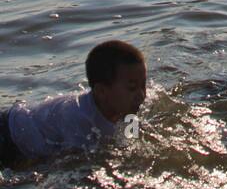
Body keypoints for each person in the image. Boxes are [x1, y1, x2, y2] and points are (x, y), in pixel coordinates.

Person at [0, 41, 146, 166]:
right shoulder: (78, 120)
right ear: (101, 91)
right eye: (132, 88)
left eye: (143, 85)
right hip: (8, 136)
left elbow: (130, 140)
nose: (141, 95)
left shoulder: (128, 110)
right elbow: (67, 164)